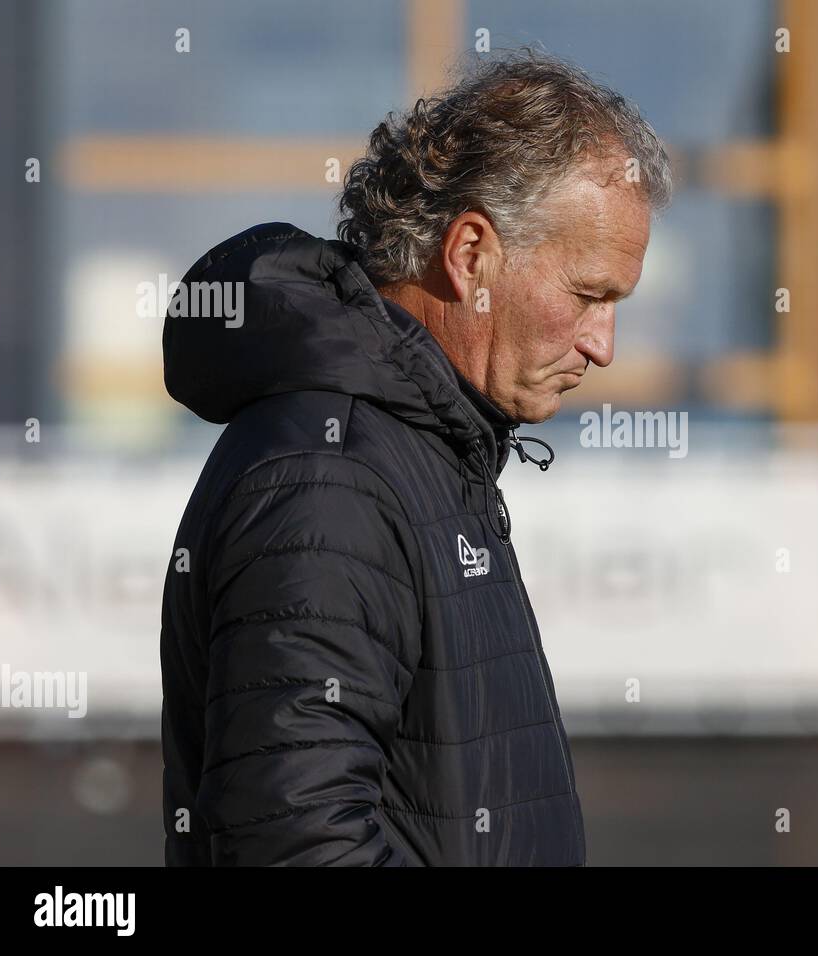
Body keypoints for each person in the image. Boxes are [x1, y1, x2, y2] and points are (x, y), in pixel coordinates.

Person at [159, 48, 672, 865]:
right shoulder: (333, 477)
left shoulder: (418, 453)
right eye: (587, 295)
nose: (603, 344)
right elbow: (297, 844)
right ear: (471, 255)